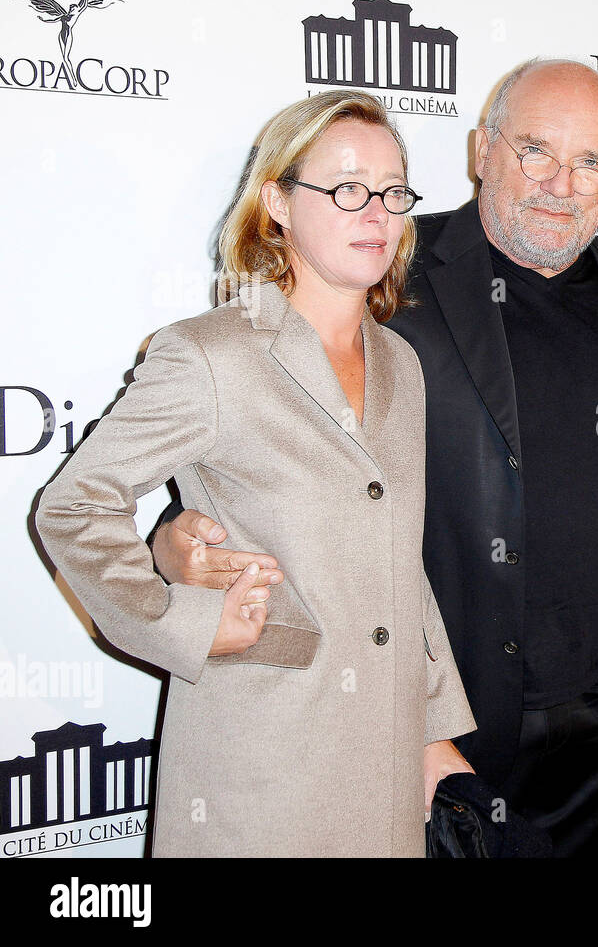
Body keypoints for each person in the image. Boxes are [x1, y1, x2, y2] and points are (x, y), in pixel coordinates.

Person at [151, 60, 598, 857]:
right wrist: (174, 539)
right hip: (438, 722)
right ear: (481, 150)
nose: (560, 184)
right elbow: (259, 454)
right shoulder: (383, 270)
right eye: (535, 150)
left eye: (591, 162)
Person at [35, 90, 475, 856]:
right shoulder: (211, 355)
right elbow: (74, 508)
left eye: (393, 190)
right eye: (346, 188)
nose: (375, 211)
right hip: (260, 766)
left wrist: (435, 725)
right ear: (276, 200)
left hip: (388, 761)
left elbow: (400, 563)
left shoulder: (402, 362)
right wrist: (191, 625)